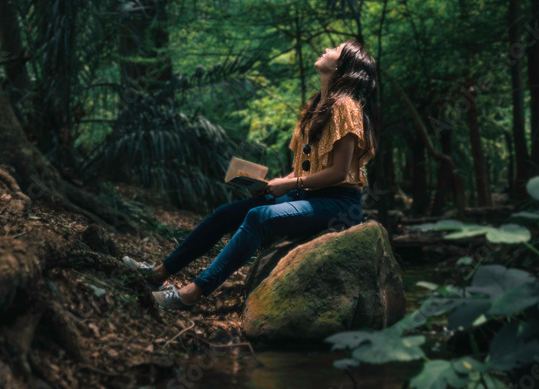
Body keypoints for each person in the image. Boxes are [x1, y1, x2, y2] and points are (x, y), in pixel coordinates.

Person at [127, 39, 378, 311]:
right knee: (225, 213)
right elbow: (308, 167)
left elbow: (339, 173)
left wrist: (289, 184)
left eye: (335, 49)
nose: (327, 49)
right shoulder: (317, 105)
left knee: (258, 218)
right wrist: (273, 185)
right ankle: (158, 274)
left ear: (341, 66)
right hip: (307, 194)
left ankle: (189, 295)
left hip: (339, 203)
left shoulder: (346, 107)